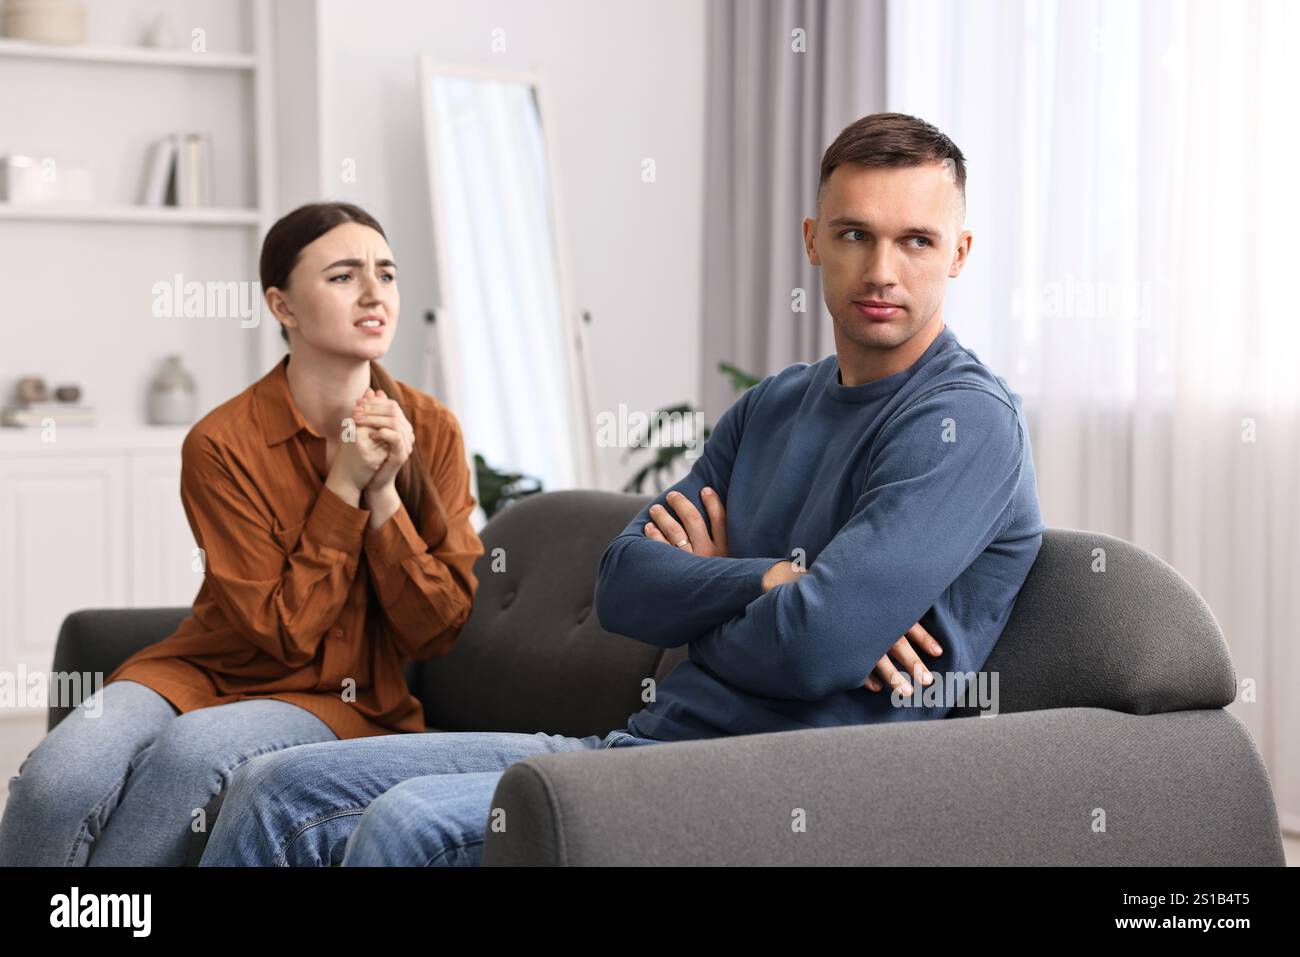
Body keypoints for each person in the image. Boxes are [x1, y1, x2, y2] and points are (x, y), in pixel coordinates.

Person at [198, 112, 1044, 868]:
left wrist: (726, 596)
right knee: (279, 788)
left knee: (410, 823)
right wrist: (770, 579)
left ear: (959, 253)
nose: (882, 269)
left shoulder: (964, 423)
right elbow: (623, 586)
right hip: (640, 748)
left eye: (917, 241)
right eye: (856, 234)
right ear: (813, 240)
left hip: (775, 786)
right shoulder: (775, 404)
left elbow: (815, 646)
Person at [0, 202, 483, 866]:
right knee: (58, 779)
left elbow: (437, 628)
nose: (375, 293)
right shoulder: (220, 442)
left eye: (386, 273)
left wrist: (377, 494)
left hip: (339, 695)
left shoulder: (432, 431)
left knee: (192, 754)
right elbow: (277, 627)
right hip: (200, 668)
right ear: (282, 306)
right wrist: (341, 484)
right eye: (344, 276)